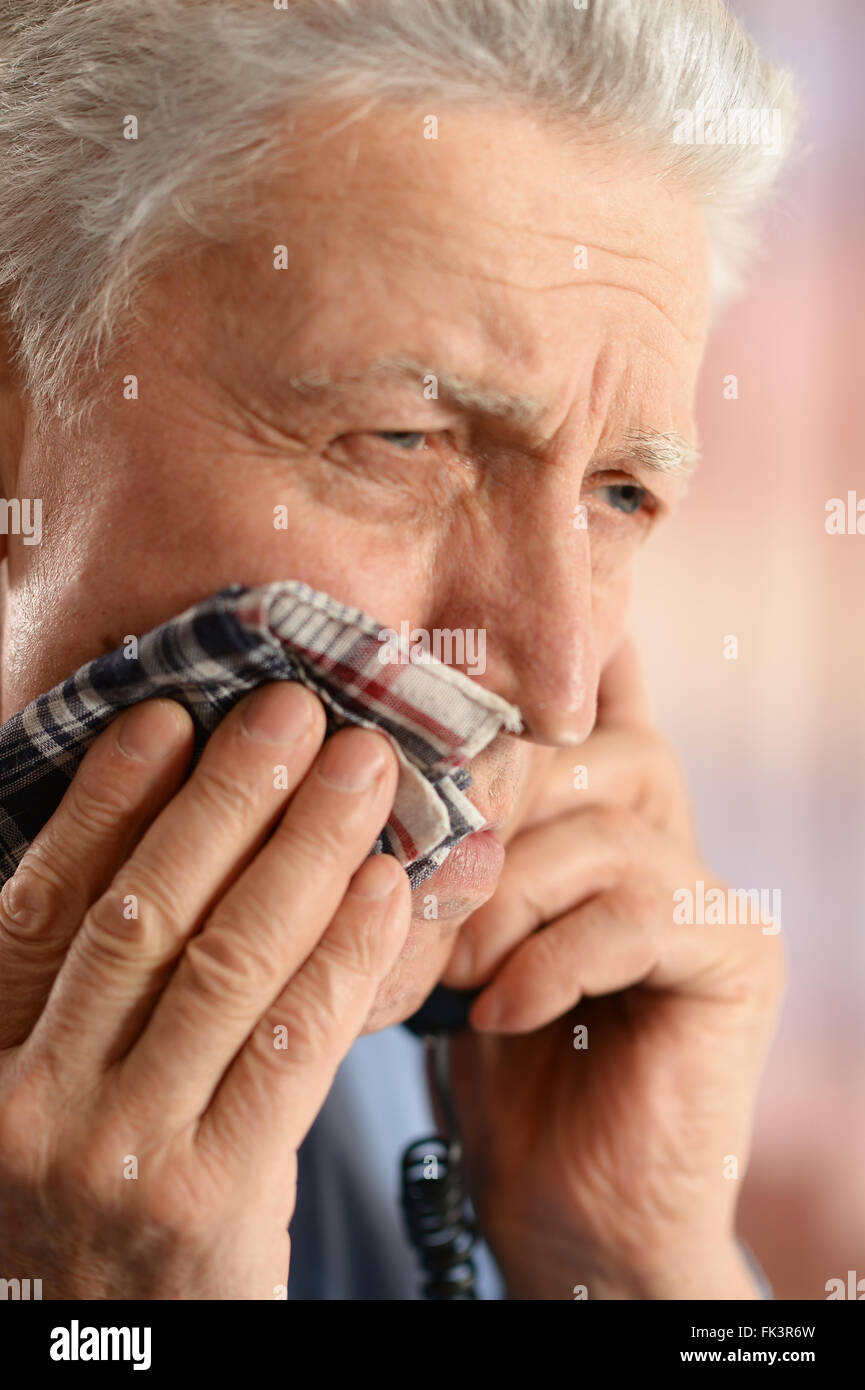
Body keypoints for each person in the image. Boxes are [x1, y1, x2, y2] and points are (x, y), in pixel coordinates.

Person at [0, 0, 796, 1299]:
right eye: (404, 439)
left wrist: (635, 1264)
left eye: (617, 496)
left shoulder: (434, 1027)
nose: (552, 688)